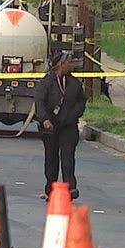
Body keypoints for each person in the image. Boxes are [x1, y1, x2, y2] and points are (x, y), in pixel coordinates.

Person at [33, 51, 86, 200]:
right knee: (51, 159)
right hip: (50, 128)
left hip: (68, 127)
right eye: (68, 62)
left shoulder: (74, 84)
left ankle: (70, 188)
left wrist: (73, 116)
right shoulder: (47, 83)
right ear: (61, 65)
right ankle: (51, 188)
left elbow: (81, 102)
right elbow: (39, 102)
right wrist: (44, 120)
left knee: (68, 157)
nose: (71, 65)